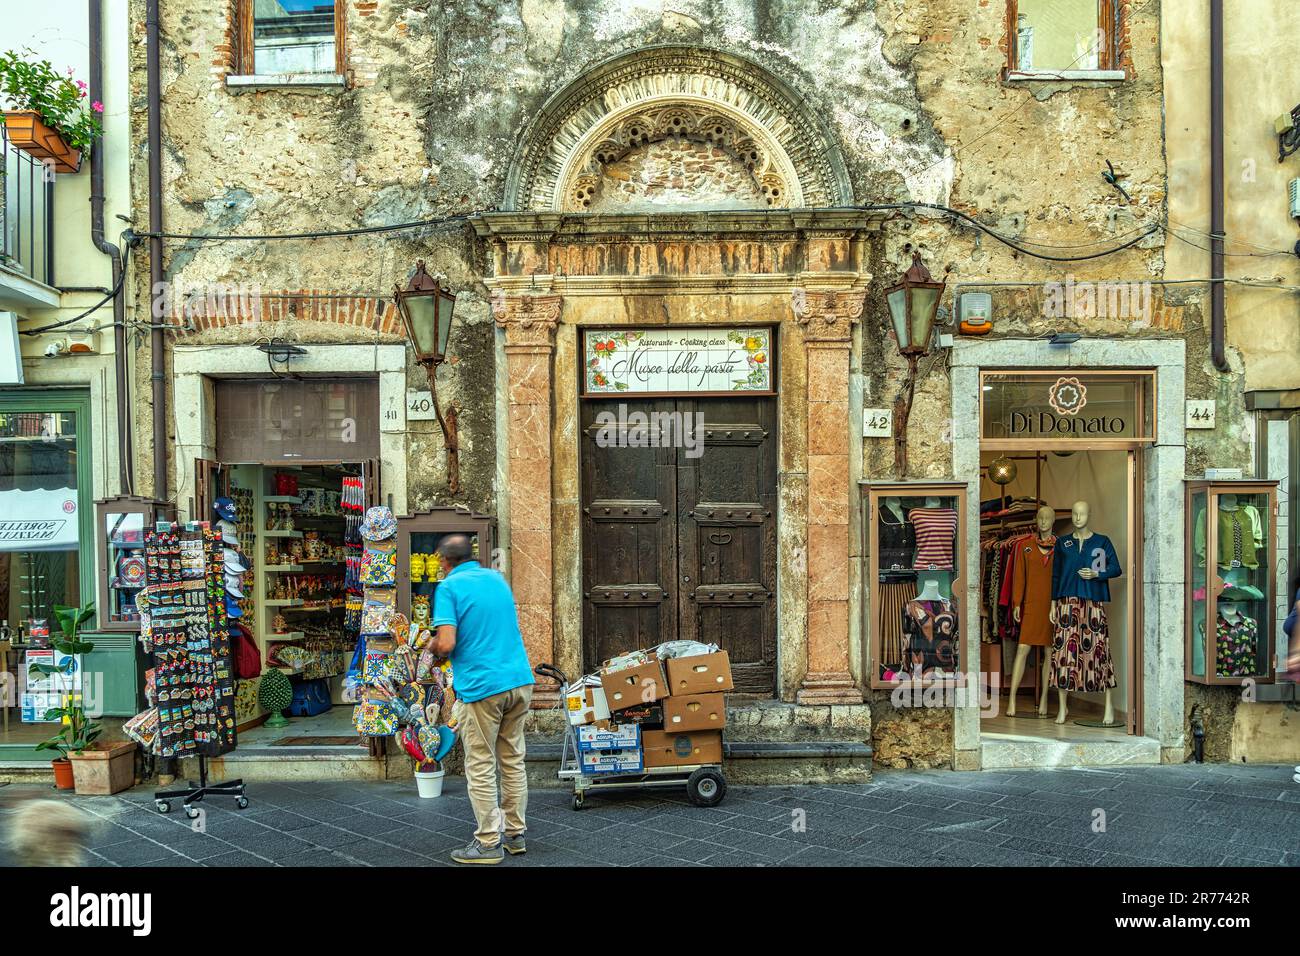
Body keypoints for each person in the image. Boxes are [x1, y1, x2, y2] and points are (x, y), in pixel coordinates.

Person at [432, 534, 535, 864]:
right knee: (512, 758)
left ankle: (488, 841)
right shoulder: (497, 579)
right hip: (519, 680)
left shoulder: (448, 587)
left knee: (480, 763)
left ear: (444, 561)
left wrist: (431, 646)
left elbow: (446, 643)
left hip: (482, 686)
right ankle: (515, 835)